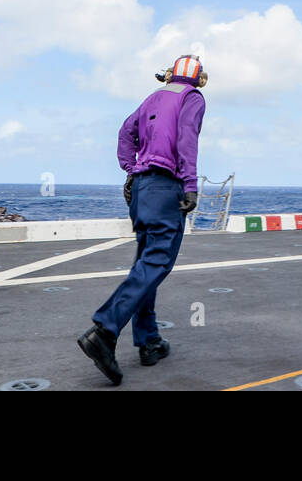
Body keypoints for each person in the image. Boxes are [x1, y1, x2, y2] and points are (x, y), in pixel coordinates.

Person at [78, 55, 205, 383]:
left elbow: (125, 133)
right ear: (197, 79)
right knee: (157, 262)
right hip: (166, 189)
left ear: (169, 76)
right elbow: (186, 141)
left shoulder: (152, 97)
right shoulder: (192, 99)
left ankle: (148, 341)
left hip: (141, 190)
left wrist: (132, 170)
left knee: (146, 265)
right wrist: (190, 185)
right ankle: (105, 330)